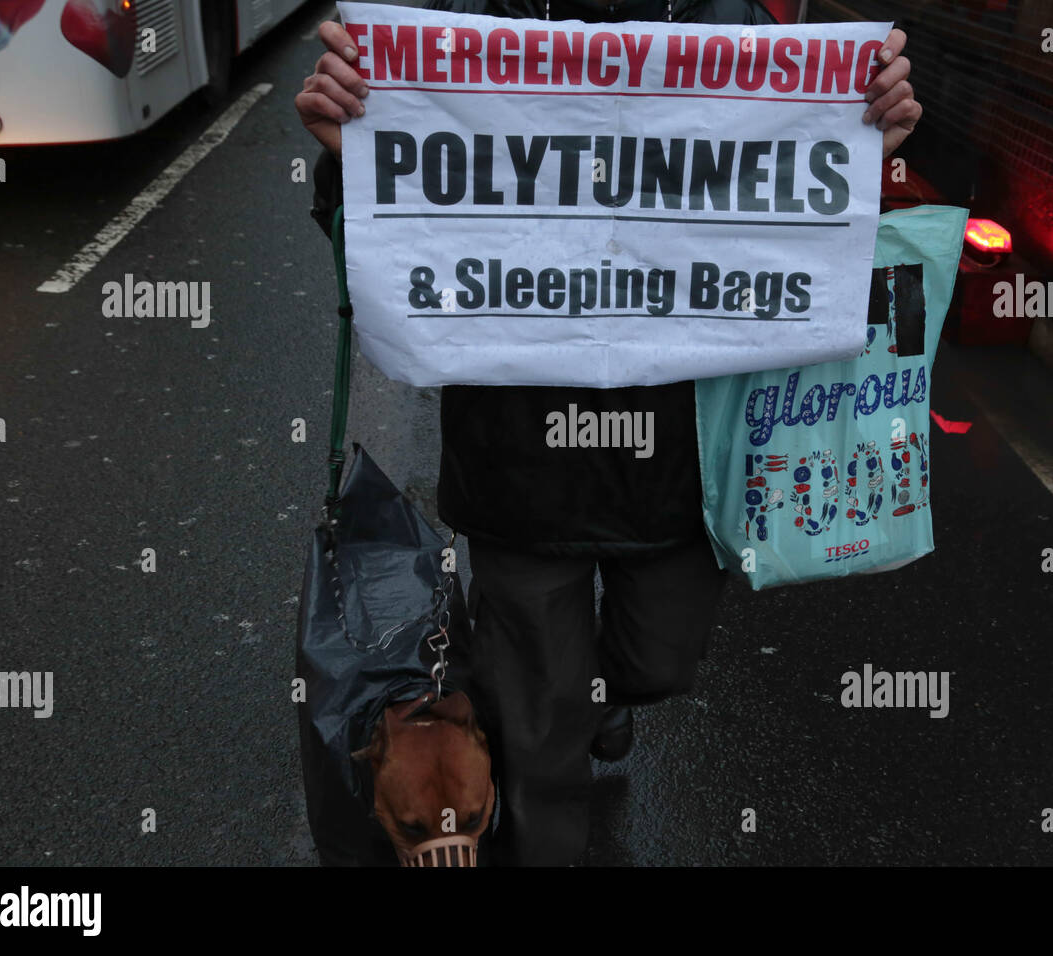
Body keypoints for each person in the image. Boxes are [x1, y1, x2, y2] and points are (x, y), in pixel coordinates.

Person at [296, 0, 920, 866]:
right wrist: (346, 155)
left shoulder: (734, 26)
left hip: (675, 470)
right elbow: (371, 243)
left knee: (660, 661)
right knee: (543, 742)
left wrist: (862, 144)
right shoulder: (454, 37)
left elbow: (792, 219)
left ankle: (589, 690)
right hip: (517, 471)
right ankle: (549, 732)